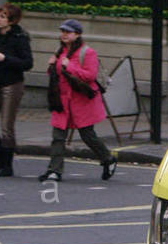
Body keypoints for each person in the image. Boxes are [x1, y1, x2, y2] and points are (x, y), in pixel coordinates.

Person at [40, 19, 116, 181]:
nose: (64, 35)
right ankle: (55, 171)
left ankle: (108, 159)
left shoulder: (87, 52)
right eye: (63, 31)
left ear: (77, 35)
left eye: (68, 32)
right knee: (58, 136)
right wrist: (51, 66)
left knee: (88, 135)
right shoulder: (60, 51)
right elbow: (58, 76)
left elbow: (90, 75)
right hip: (61, 101)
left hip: (82, 102)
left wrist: (69, 66)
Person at [0, 2, 33, 177]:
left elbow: (27, 63)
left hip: (12, 84)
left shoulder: (20, 37)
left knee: (6, 126)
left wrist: (5, 58)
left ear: (11, 20)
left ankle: (7, 165)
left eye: (2, 16)